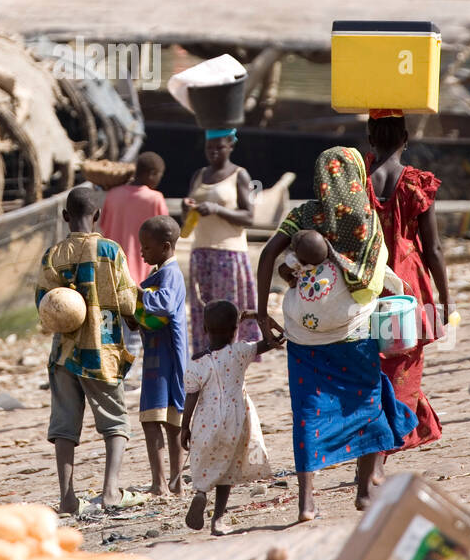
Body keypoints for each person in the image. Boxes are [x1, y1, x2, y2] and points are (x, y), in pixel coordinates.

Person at [257, 148, 418, 522]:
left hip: (305, 337)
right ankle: (363, 492)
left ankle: (307, 503)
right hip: (352, 332)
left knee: (308, 412)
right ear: (357, 177)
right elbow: (375, 275)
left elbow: (268, 257)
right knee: (367, 403)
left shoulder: (301, 215)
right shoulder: (365, 219)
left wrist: (263, 313)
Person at [36, 185, 145, 515]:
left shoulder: (53, 255)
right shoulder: (110, 252)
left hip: (64, 353)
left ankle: (67, 499)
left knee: (64, 425)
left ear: (65, 217)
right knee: (114, 422)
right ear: (97, 216)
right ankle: (110, 491)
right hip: (101, 351)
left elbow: (44, 304)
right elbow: (127, 299)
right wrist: (137, 320)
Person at [366, 112, 448, 466]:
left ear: (370, 138)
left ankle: (405, 430)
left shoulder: (359, 183)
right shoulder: (416, 183)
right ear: (405, 138)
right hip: (408, 284)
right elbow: (433, 249)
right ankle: (385, 445)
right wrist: (446, 296)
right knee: (405, 361)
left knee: (378, 363)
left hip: (369, 283)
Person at [181, 300, 277, 536]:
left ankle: (201, 492)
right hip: (235, 420)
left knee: (206, 462)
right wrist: (258, 317)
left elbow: (191, 398)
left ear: (204, 329)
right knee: (227, 468)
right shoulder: (240, 352)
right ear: (236, 329)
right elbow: (276, 340)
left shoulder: (197, 362)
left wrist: (185, 427)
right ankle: (218, 520)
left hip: (205, 421)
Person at [183, 129, 260, 358]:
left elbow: (249, 217)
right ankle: (207, 361)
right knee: (203, 311)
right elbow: (185, 219)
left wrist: (217, 209)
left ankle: (232, 360)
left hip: (228, 254)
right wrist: (187, 208)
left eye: (219, 147)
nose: (214, 152)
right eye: (209, 148)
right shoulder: (199, 175)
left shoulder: (239, 175)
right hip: (200, 252)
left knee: (228, 312)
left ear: (230, 146)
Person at [134, 215, 187, 497]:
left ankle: (166, 483)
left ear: (166, 246)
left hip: (168, 358)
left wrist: (137, 294)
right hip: (157, 355)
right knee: (160, 419)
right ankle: (168, 483)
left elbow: (164, 304)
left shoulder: (171, 274)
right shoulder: (160, 272)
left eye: (147, 247)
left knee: (163, 421)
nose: (142, 251)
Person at [100, 152, 169, 286]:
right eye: (160, 176)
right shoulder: (155, 199)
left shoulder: (113, 195)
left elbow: (104, 227)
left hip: (111, 272)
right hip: (143, 278)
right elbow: (167, 235)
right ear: (152, 173)